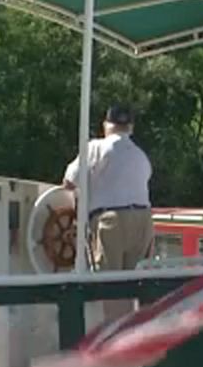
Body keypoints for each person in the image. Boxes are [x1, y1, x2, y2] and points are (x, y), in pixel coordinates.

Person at [63, 105, 153, 272]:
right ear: (131, 128)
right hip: (143, 219)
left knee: (108, 280)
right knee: (135, 281)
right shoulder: (141, 156)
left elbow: (69, 183)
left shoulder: (95, 147)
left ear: (106, 125)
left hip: (112, 220)